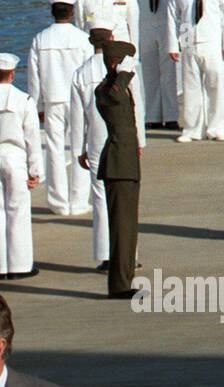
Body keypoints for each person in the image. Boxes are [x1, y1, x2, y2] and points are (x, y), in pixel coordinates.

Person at [71, 20, 146, 273]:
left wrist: (78, 148)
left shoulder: (81, 73)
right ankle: (128, 256)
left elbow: (77, 115)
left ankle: (106, 255)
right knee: (124, 206)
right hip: (120, 138)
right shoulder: (124, 73)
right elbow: (138, 107)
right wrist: (140, 141)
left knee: (101, 198)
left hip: (94, 138)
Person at [28, 2, 93, 216]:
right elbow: (88, 73)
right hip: (77, 99)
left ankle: (58, 202)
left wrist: (36, 105)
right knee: (79, 148)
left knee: (54, 149)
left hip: (52, 99)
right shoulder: (82, 38)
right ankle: (78, 200)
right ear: (72, 11)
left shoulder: (40, 38)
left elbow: (34, 78)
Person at [0, 54, 44, 281]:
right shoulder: (23, 100)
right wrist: (35, 171)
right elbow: (32, 138)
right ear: (12, 74)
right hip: (15, 158)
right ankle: (19, 265)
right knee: (17, 212)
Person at [93, 41, 144, 298]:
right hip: (119, 164)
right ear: (117, 63)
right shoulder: (108, 89)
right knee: (123, 228)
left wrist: (123, 74)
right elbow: (113, 95)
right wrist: (123, 73)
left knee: (126, 227)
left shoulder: (112, 87)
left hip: (124, 163)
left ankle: (123, 281)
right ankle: (120, 286)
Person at [167, 0, 224, 143]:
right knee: (190, 87)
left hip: (212, 39)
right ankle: (192, 129)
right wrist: (173, 45)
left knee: (215, 85)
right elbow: (172, 15)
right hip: (187, 38)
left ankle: (219, 128)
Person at [139, 0, 179, 129]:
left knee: (169, 74)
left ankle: (171, 116)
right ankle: (152, 116)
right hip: (144, 23)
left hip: (167, 24)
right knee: (149, 73)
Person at [75, 0, 140, 42]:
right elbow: (80, 24)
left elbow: (133, 28)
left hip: (120, 50)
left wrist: (134, 57)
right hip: (93, 49)